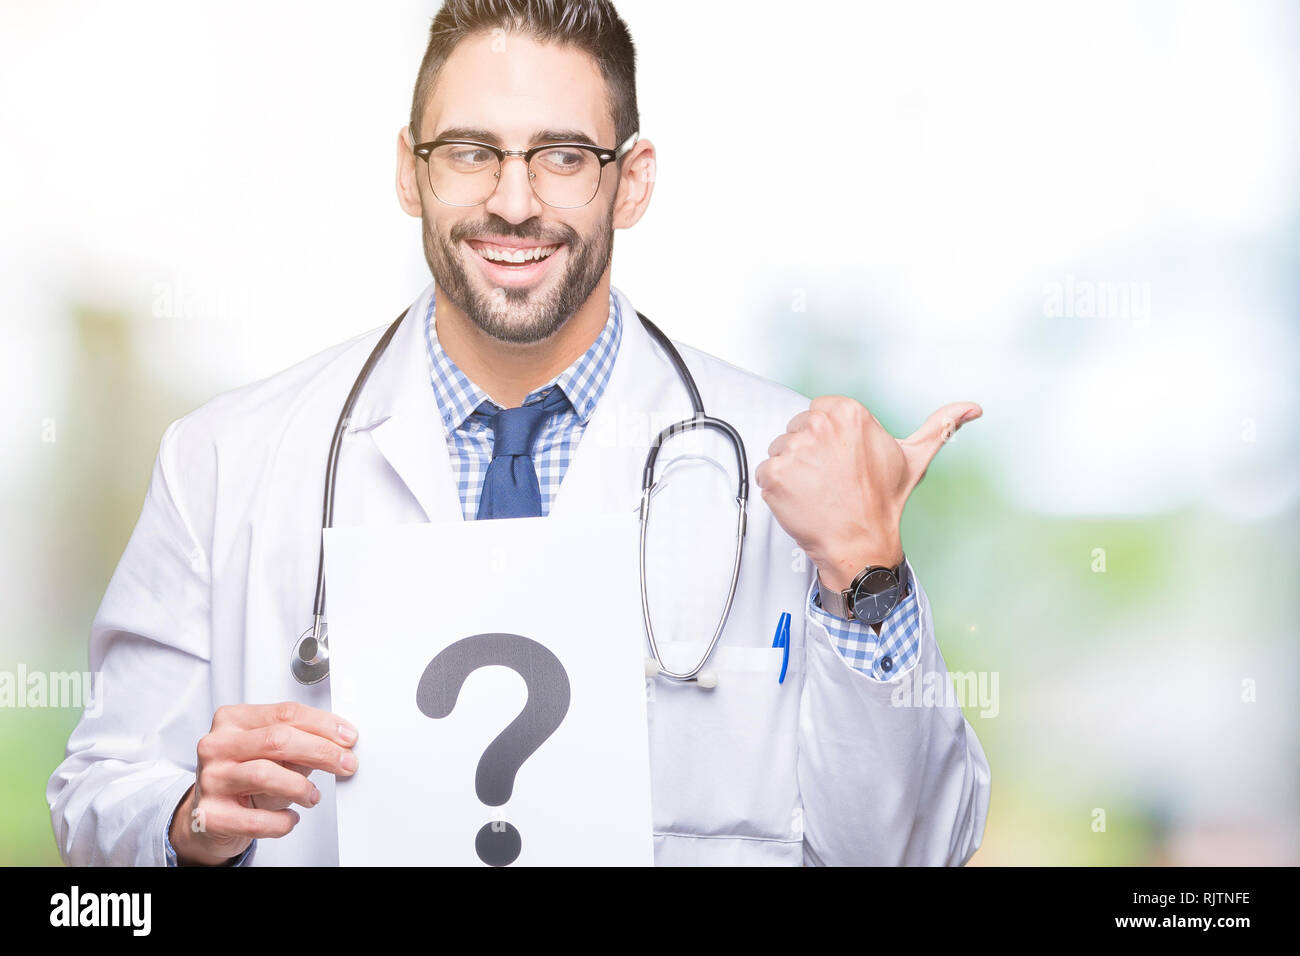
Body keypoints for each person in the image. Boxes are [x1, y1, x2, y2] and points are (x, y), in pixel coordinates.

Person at [48, 0, 990, 866]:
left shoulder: (784, 464)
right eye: (469, 150)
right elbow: (99, 798)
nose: (512, 200)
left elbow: (917, 849)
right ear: (410, 170)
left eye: (563, 155)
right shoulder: (223, 462)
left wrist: (869, 574)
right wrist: (189, 819)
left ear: (633, 183)